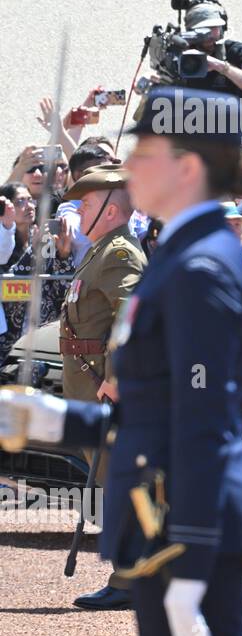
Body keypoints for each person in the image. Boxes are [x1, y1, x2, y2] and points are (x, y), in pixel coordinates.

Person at [0, 86, 242, 636]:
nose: (129, 170)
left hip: (188, 531)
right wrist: (49, 421)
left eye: (144, 153)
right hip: (166, 521)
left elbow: (201, 426)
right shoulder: (183, 256)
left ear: (185, 168)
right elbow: (159, 411)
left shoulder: (200, 269)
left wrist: (188, 573)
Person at [56, 165, 147, 611]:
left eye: (87, 204)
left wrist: (116, 376)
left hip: (105, 387)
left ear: (110, 211)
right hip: (88, 385)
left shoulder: (120, 253)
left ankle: (130, 581)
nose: (78, 209)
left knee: (117, 482)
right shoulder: (100, 250)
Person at [0, 182, 74, 363]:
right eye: (20, 202)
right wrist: (33, 251)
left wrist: (64, 255)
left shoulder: (46, 239)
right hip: (11, 342)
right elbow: (8, 292)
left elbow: (60, 291)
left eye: (30, 200)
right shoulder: (4, 242)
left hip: (44, 341)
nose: (29, 206)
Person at [178, 0, 242, 99]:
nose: (208, 34)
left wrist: (222, 67)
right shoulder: (181, 52)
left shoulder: (235, 50)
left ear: (222, 28)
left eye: (213, 27)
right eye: (202, 29)